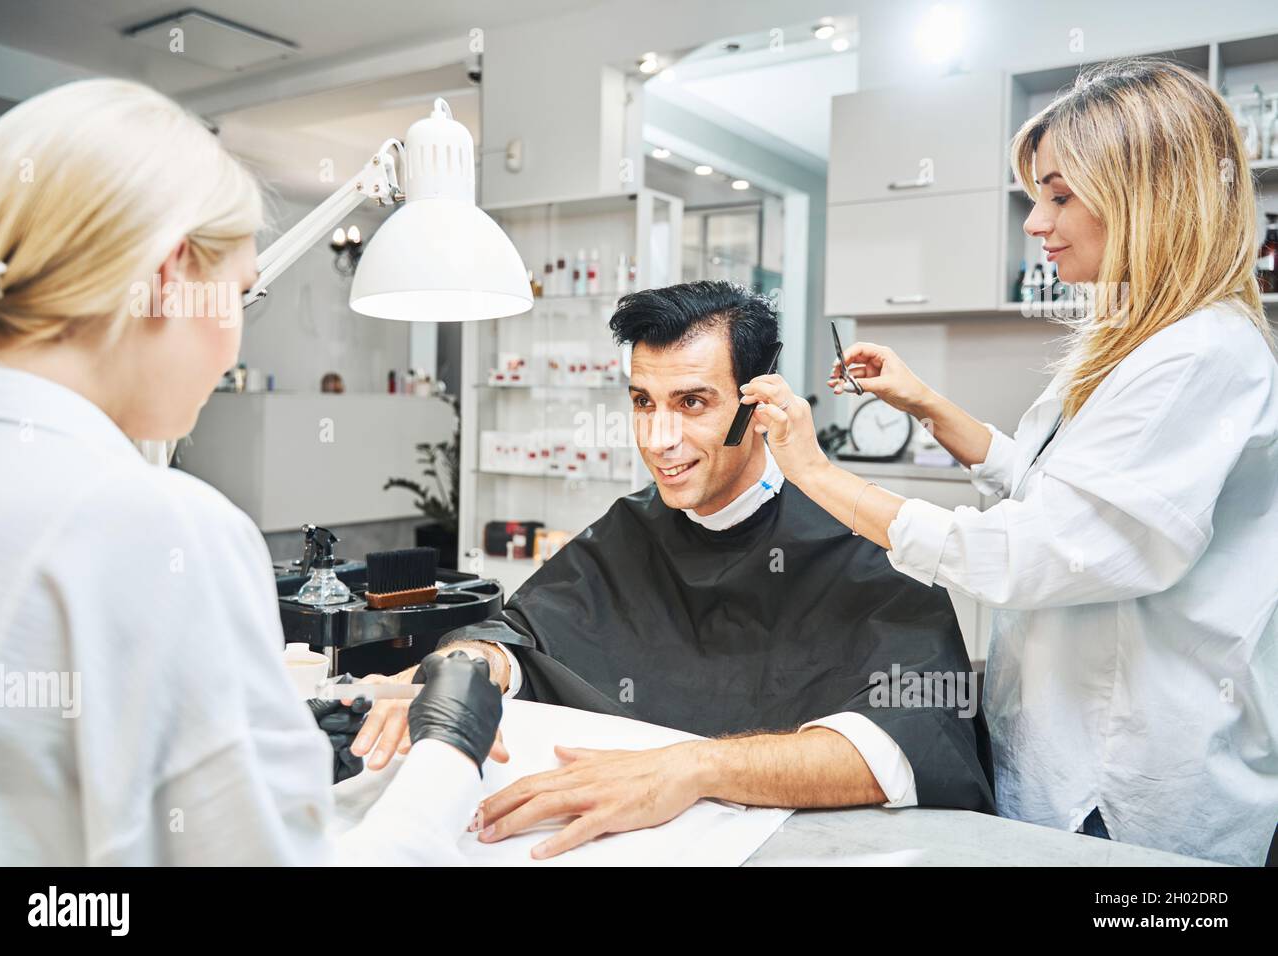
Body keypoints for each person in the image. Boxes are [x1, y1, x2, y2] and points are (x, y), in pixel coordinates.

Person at [739, 60, 1278, 866]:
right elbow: (1055, 488)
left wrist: (818, 475)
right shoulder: (1142, 340)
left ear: (1150, 197)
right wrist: (929, 406)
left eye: (1059, 195)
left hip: (1126, 786)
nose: (1035, 222)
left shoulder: (1199, 357)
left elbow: (1031, 554)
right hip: (1066, 751)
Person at [0, 78, 503, 865]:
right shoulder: (152, 524)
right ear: (169, 274)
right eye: (241, 296)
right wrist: (451, 750)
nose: (231, 347)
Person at [354, 280, 994, 860]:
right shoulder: (631, 530)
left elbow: (911, 736)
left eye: (692, 403)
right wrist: (468, 666)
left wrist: (690, 769)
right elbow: (526, 636)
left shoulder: (860, 540)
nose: (658, 440)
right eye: (642, 401)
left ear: (758, 404)